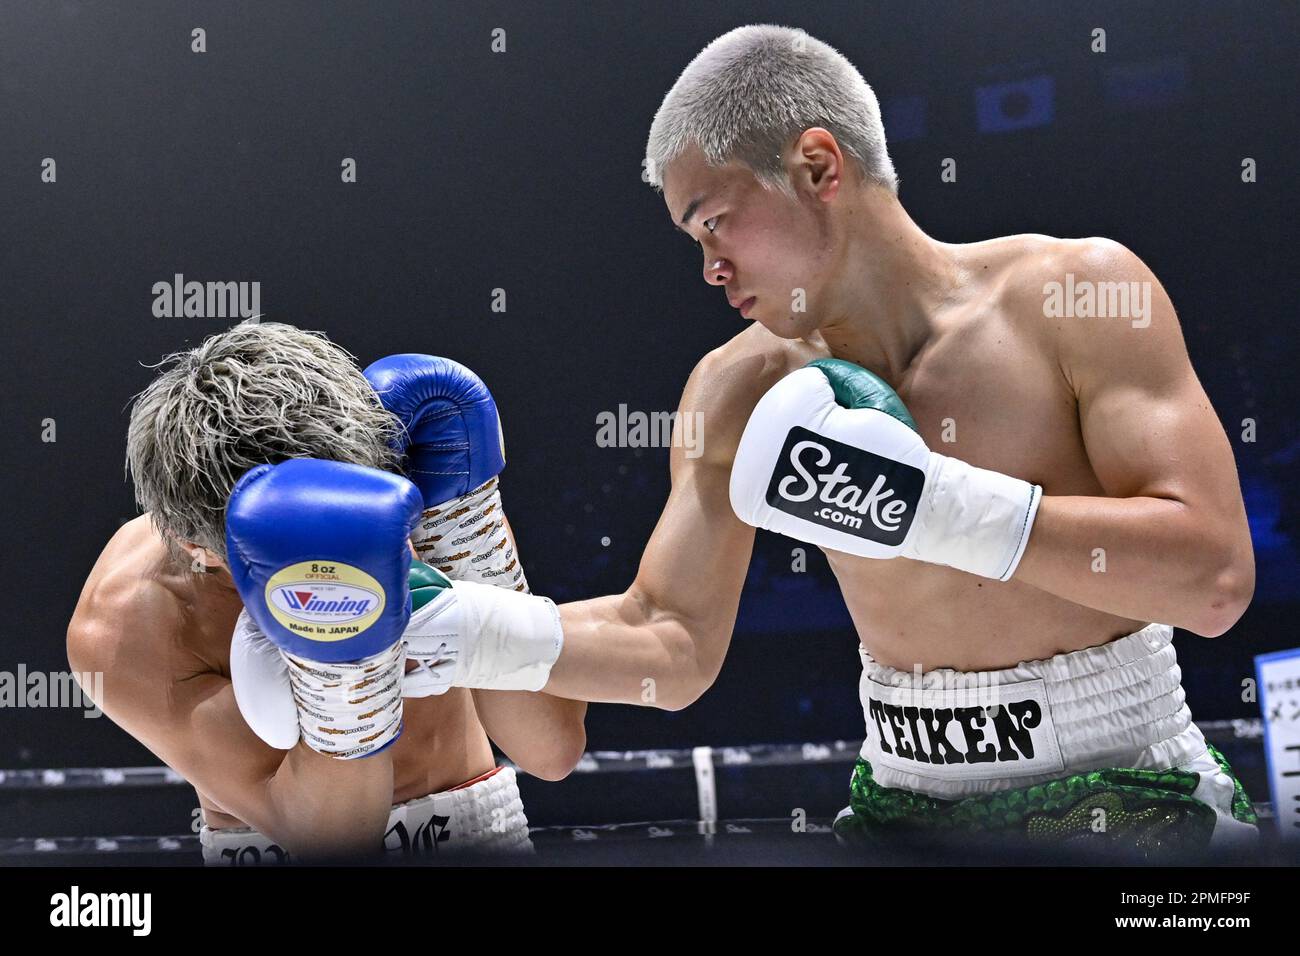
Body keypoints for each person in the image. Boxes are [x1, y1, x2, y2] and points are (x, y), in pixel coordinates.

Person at [66, 323, 586, 863]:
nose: (311, 550)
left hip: (474, 830)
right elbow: (333, 840)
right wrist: (344, 668)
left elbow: (551, 749)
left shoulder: (397, 490)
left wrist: (466, 528)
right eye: (269, 539)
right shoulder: (129, 620)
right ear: (192, 542)